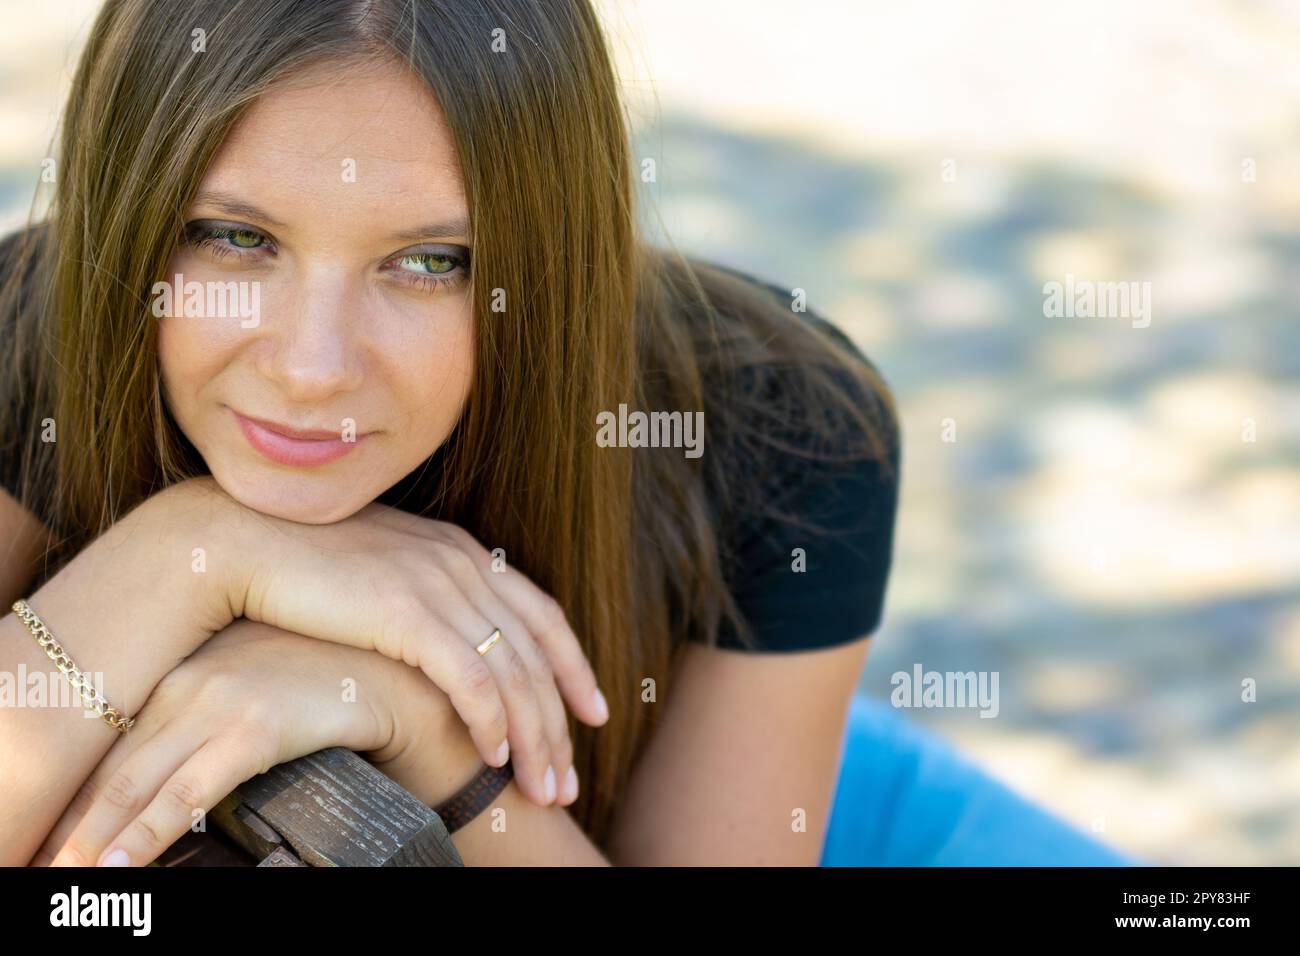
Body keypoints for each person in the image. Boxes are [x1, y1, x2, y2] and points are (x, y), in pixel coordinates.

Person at [0, 0, 1130, 867]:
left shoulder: (778, 422)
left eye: (433, 261)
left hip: (796, 778)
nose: (309, 364)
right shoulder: (29, 333)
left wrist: (430, 728)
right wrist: (197, 555)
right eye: (232, 238)